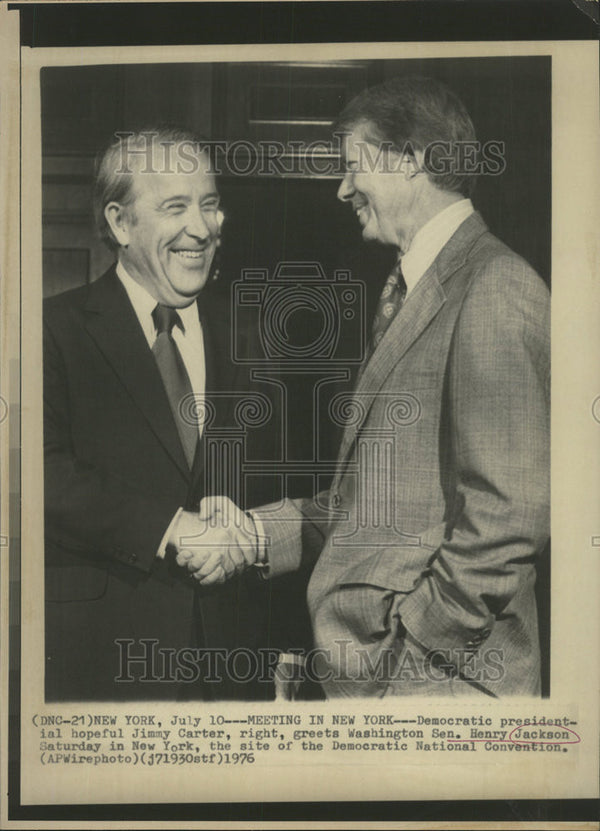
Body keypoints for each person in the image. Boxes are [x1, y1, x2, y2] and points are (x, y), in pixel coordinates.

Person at [181, 77, 551, 698]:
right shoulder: (413, 289)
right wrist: (248, 533)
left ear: (411, 159)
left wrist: (405, 656)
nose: (343, 188)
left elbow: (509, 518)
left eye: (354, 167)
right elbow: (371, 503)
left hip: (438, 692)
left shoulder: (494, 289)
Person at [44, 126, 276, 701]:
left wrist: (239, 525)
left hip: (233, 659)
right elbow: (39, 475)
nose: (202, 227)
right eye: (176, 207)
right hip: (104, 660)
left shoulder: (251, 334)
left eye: (210, 204)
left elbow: (284, 477)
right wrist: (172, 528)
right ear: (121, 224)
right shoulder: (51, 330)